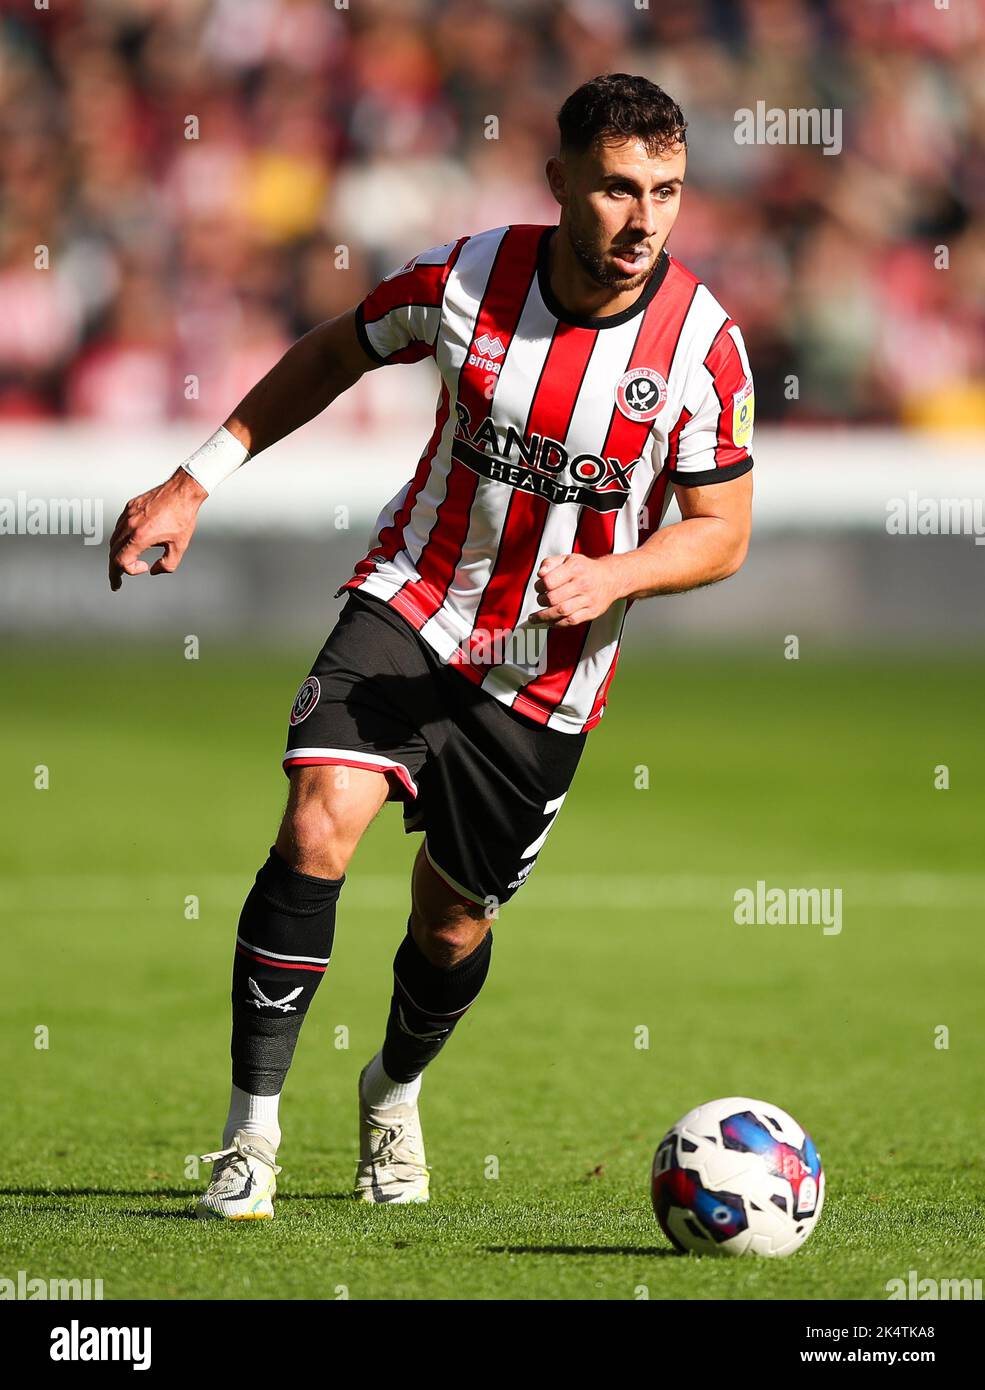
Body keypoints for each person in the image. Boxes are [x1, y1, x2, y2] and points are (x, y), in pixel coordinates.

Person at [108, 74, 754, 1217]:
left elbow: (722, 534)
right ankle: (248, 1136)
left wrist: (614, 572)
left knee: (452, 921)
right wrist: (191, 481)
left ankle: (392, 1090)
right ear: (560, 182)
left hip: (546, 677)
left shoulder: (702, 350)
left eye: (665, 190)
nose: (642, 218)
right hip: (415, 602)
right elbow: (331, 353)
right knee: (316, 824)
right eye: (615, 187)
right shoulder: (465, 281)